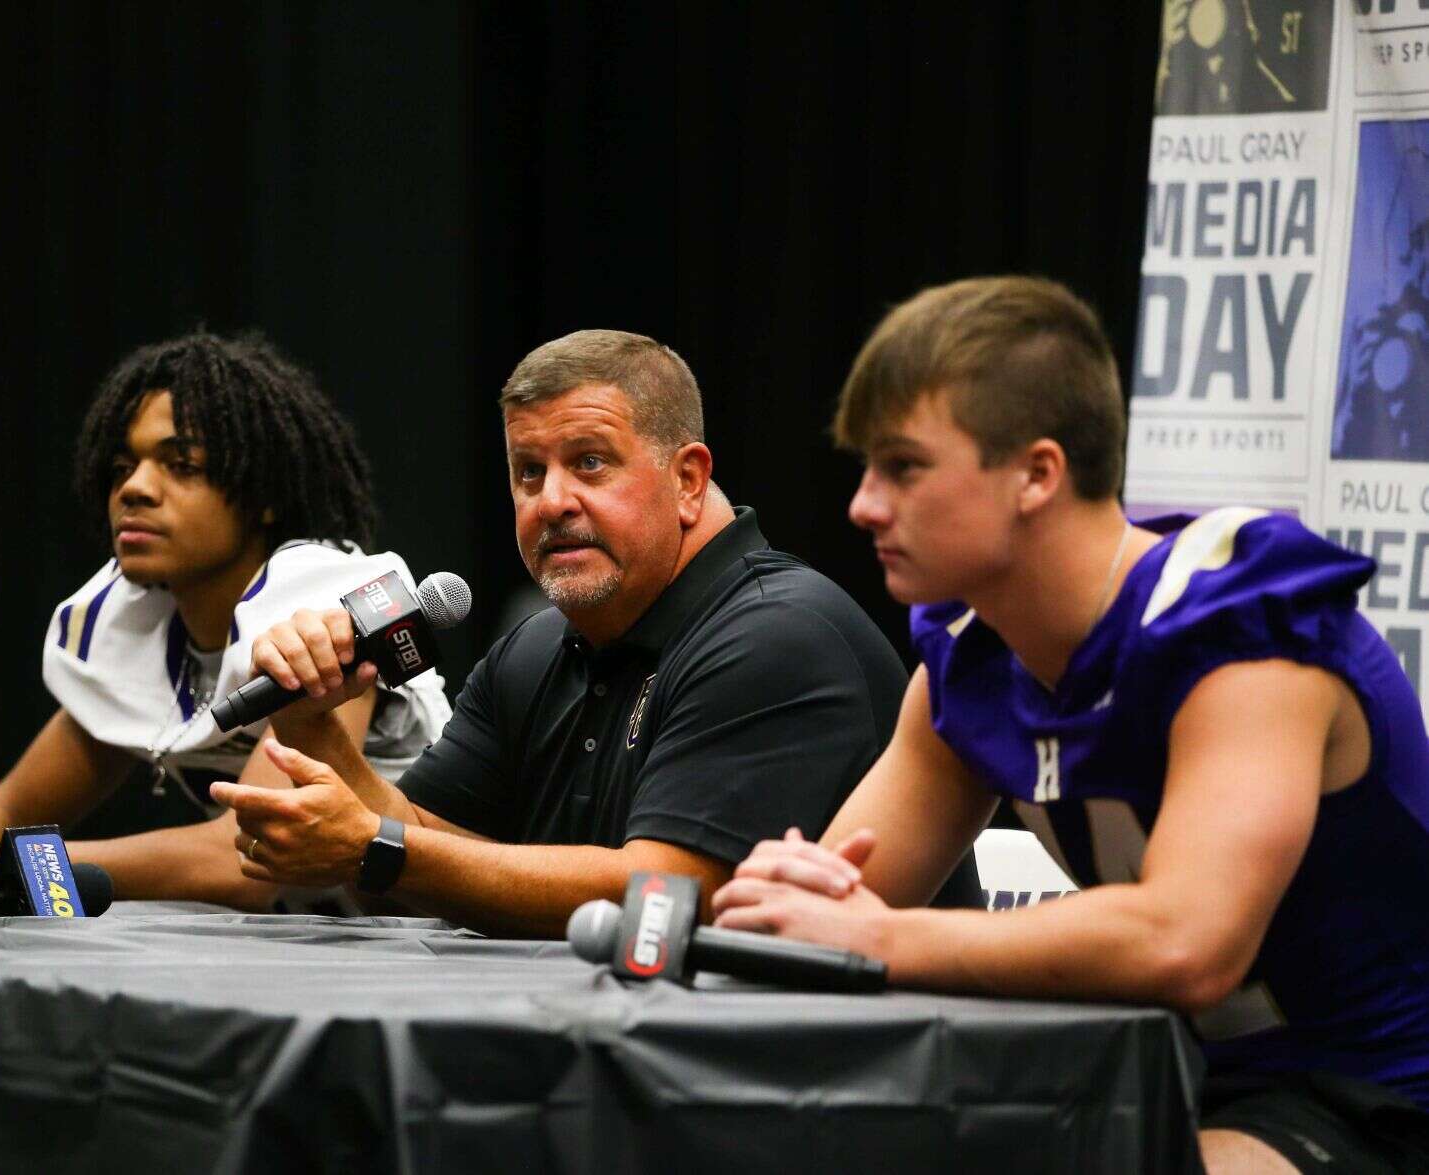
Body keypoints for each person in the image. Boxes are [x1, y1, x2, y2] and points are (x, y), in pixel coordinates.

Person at [712, 277, 1429, 1171]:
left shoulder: (1238, 629)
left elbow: (1185, 942)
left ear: (1037, 474)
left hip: (1379, 1096)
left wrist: (876, 934)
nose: (861, 504)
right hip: (1153, 1067)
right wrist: (787, 897)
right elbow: (844, 906)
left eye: (902, 466)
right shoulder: (964, 661)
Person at [209, 329, 972, 937]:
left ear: (688, 479)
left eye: (590, 463)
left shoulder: (778, 635)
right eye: (527, 471)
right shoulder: (538, 645)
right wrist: (312, 720)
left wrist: (381, 851)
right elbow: (418, 842)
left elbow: (667, 892)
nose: (552, 501)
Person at [0, 329, 449, 909]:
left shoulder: (318, 605)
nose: (135, 488)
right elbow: (0, 813)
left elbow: (246, 859)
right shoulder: (137, 624)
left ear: (263, 497)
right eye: (123, 467)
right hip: (320, 955)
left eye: (180, 466)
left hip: (439, 938)